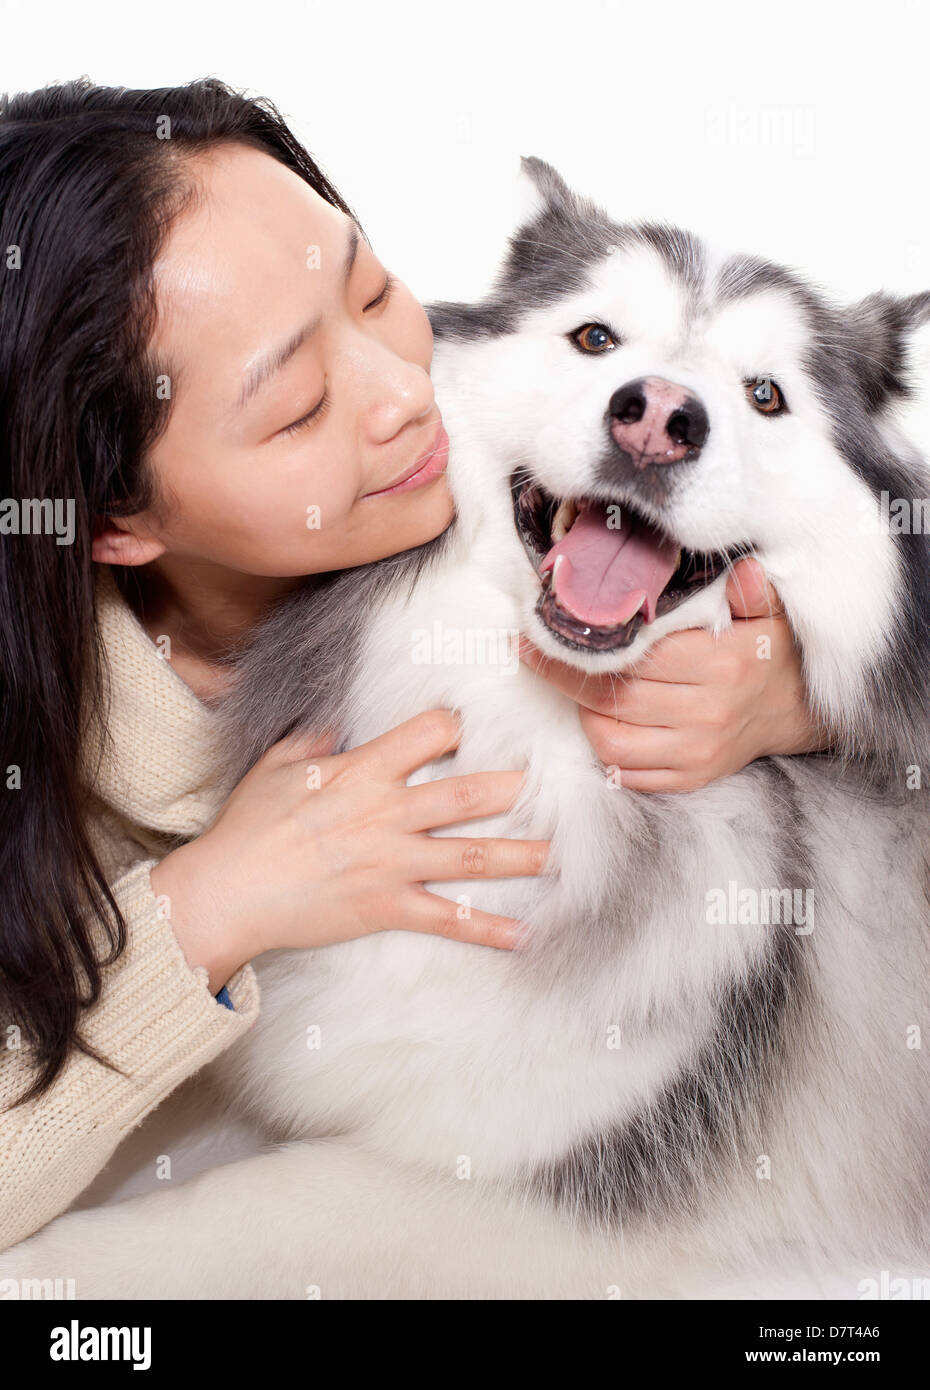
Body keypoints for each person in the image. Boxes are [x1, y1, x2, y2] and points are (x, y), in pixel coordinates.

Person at [0, 77, 828, 1252]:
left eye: (374, 288)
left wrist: (811, 693)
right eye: (295, 408)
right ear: (117, 523)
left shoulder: (495, 464)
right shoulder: (63, 778)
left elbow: (816, 502)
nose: (405, 390)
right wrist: (206, 906)